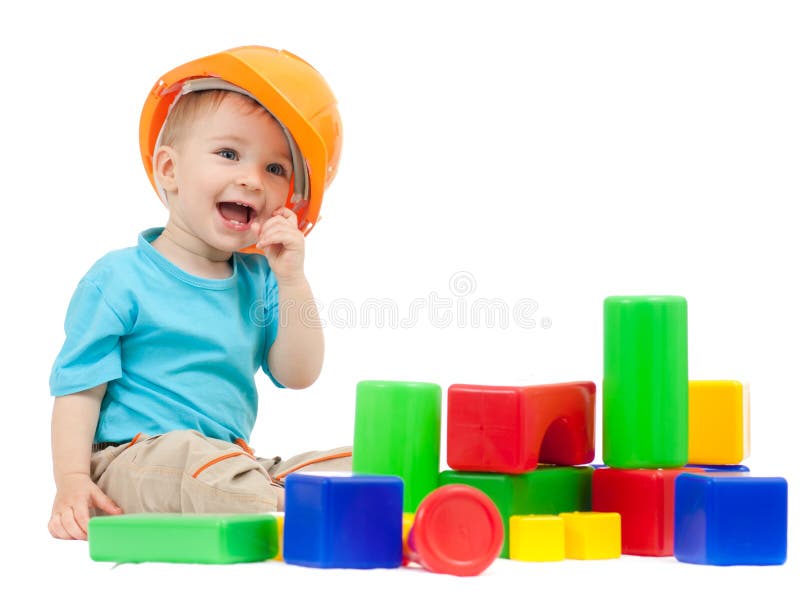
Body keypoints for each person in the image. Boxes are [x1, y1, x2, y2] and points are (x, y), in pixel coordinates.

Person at [47, 46, 349, 541]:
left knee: (365, 461)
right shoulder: (118, 278)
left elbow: (300, 374)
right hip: (132, 461)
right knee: (196, 463)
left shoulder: (262, 279)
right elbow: (79, 392)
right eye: (229, 154)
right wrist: (73, 481)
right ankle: (284, 502)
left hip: (228, 460)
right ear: (169, 170)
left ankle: (288, 493)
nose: (252, 179)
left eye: (275, 169)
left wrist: (292, 279)